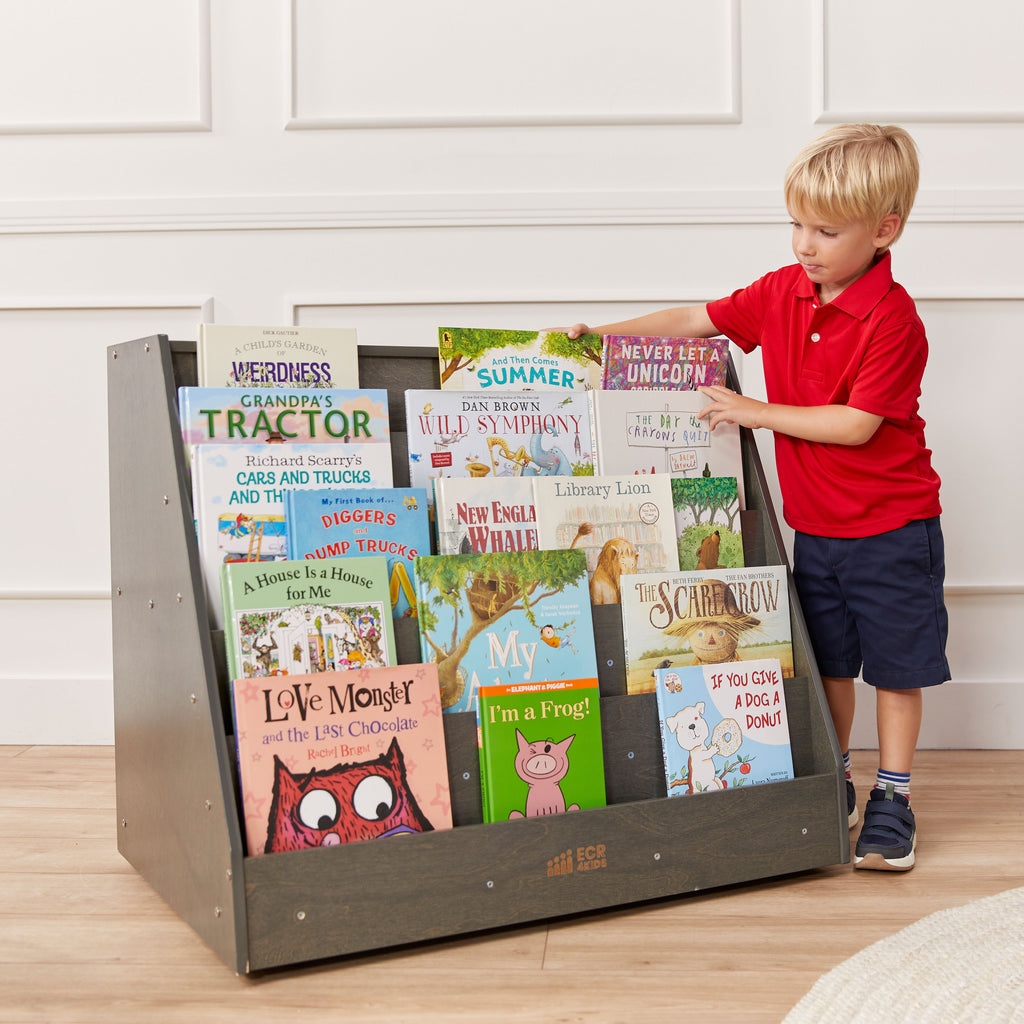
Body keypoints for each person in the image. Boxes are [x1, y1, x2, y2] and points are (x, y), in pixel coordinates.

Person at [568, 123, 949, 871]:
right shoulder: (782, 292)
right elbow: (692, 320)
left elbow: (857, 424)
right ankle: (834, 781)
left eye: (826, 230)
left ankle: (894, 797)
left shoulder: (894, 319)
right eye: (797, 224)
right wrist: (595, 339)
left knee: (897, 670)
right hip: (817, 530)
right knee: (831, 664)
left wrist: (755, 412)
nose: (805, 243)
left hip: (892, 528)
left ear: (885, 229)